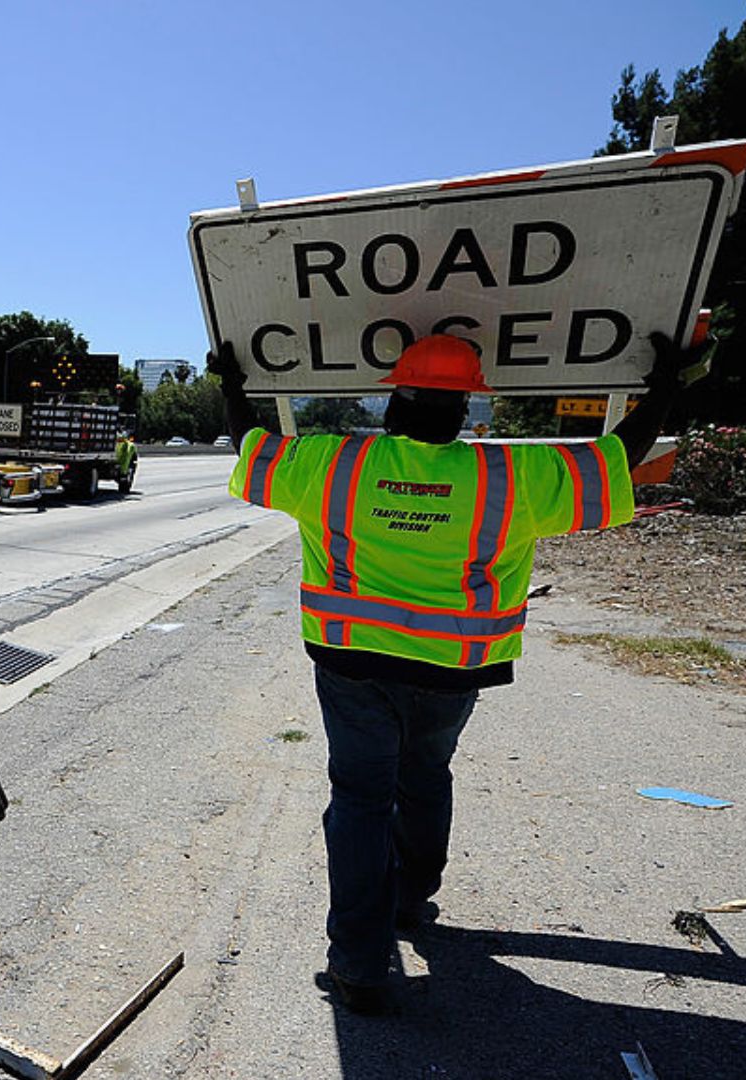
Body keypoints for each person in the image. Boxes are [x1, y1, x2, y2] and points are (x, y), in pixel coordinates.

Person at [208, 330, 701, 1015]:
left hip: (352, 664)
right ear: (467, 407)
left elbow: (248, 446)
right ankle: (411, 898)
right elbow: (617, 458)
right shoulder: (512, 480)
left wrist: (232, 383)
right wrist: (666, 383)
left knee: (359, 800)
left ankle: (359, 963)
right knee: (425, 775)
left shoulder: (332, 466)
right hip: (453, 671)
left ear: (393, 402)